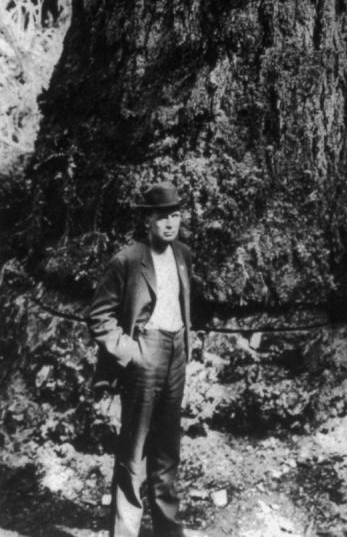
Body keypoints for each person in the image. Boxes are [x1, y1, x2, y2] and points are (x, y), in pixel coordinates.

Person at [87, 181, 192, 537]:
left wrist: (185, 344)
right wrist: (131, 353)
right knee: (133, 454)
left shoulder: (183, 255)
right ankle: (125, 531)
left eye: (175, 215)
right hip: (144, 353)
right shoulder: (127, 260)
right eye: (162, 216)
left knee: (167, 451)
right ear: (148, 220)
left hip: (176, 354)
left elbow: (184, 305)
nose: (170, 223)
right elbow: (99, 316)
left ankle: (168, 530)